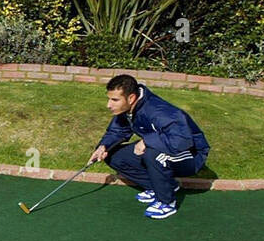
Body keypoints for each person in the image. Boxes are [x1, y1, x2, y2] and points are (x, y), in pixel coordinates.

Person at [88, 74, 210, 220]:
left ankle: (167, 202)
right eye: (109, 99)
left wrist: (147, 141)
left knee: (153, 154)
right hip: (165, 146)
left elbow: (181, 140)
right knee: (113, 155)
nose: (108, 105)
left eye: (114, 100)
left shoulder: (159, 111)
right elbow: (117, 131)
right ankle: (163, 185)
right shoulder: (129, 108)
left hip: (190, 154)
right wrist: (103, 147)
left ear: (131, 98)